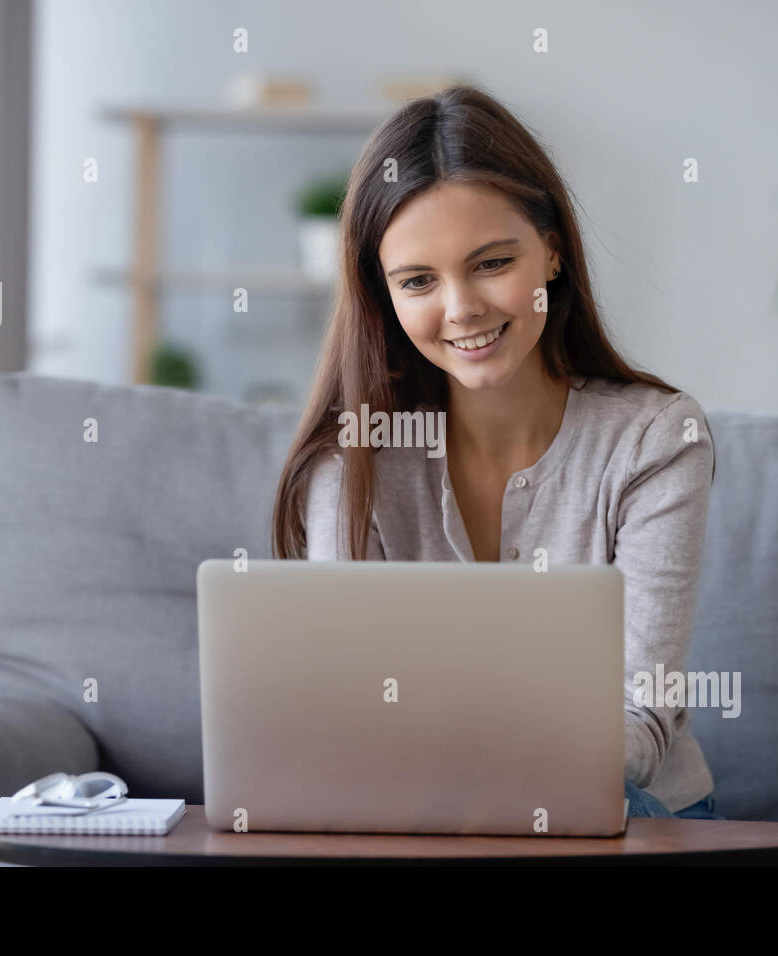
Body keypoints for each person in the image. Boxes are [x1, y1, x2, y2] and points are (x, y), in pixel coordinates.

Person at [272, 85, 724, 821]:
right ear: (382, 297)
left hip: (626, 812)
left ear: (550, 251)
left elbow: (645, 719)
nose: (462, 309)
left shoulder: (656, 441)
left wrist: (481, 777)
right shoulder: (350, 464)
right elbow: (348, 713)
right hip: (422, 819)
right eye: (418, 281)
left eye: (490, 263)